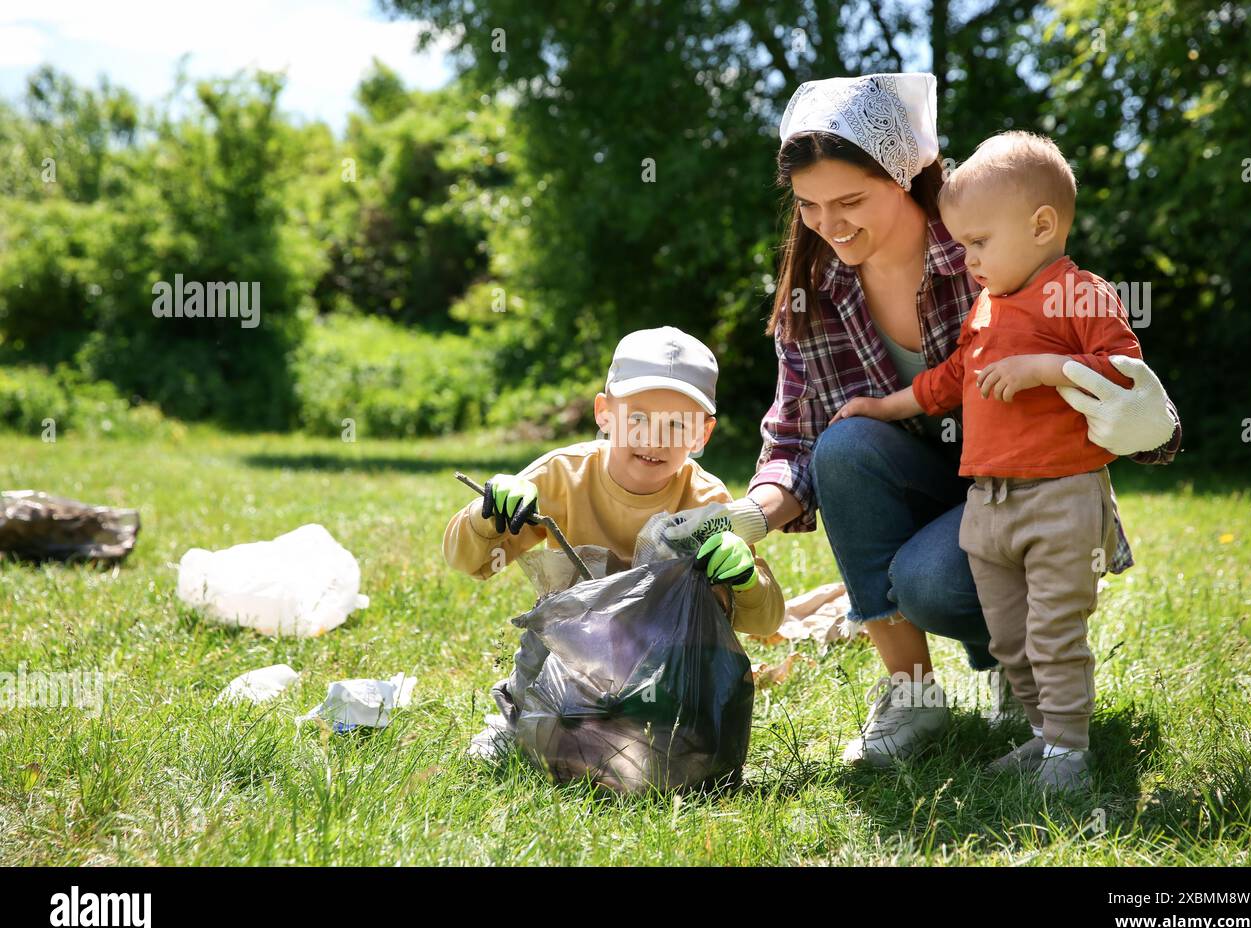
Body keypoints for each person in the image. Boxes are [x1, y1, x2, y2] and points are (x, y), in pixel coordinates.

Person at [687, 72, 1180, 768]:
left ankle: (1029, 675)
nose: (829, 224)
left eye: (851, 201)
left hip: (1027, 492)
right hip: (930, 492)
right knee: (845, 443)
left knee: (930, 580)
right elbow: (796, 435)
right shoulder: (813, 293)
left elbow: (1119, 378)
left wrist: (1145, 428)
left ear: (904, 176)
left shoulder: (989, 253)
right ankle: (913, 696)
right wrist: (745, 519)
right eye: (809, 206)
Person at [837, 130, 1145, 791]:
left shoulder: (1078, 294)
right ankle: (1041, 733)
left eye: (980, 242)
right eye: (963, 243)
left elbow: (1126, 376)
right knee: (1008, 638)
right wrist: (885, 408)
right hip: (991, 501)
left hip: (1061, 495)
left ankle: (1070, 753)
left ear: (1041, 226)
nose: (968, 257)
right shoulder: (988, 306)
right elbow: (950, 379)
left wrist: (1045, 367)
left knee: (1052, 631)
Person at [443, 326, 786, 758]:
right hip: (572, 649)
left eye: (677, 424)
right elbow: (466, 560)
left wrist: (745, 579)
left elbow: (766, 621)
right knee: (547, 623)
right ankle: (518, 717)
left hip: (664, 662)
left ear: (703, 435)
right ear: (604, 413)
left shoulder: (707, 500)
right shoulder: (562, 475)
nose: (653, 439)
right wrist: (487, 513)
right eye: (636, 418)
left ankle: (662, 737)